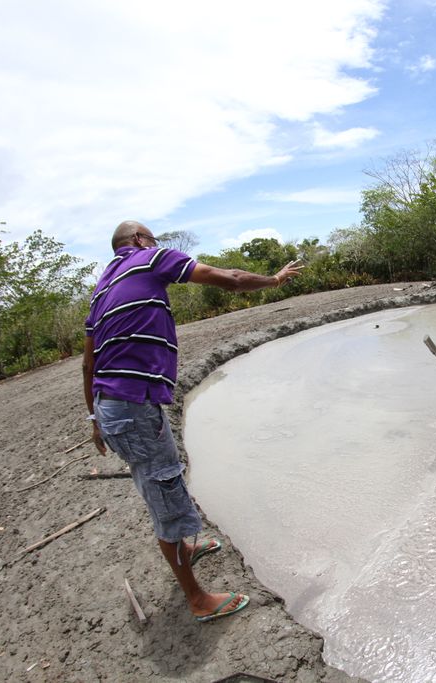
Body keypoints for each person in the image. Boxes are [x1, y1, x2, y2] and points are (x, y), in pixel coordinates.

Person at [82, 220, 302, 623]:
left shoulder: (101, 290)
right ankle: (198, 600)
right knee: (163, 490)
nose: (157, 244)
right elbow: (230, 279)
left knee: (157, 480)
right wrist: (273, 280)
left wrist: (95, 419)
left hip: (114, 407)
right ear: (138, 241)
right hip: (132, 407)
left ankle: (185, 549)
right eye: (154, 238)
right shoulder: (149, 260)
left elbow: (88, 363)